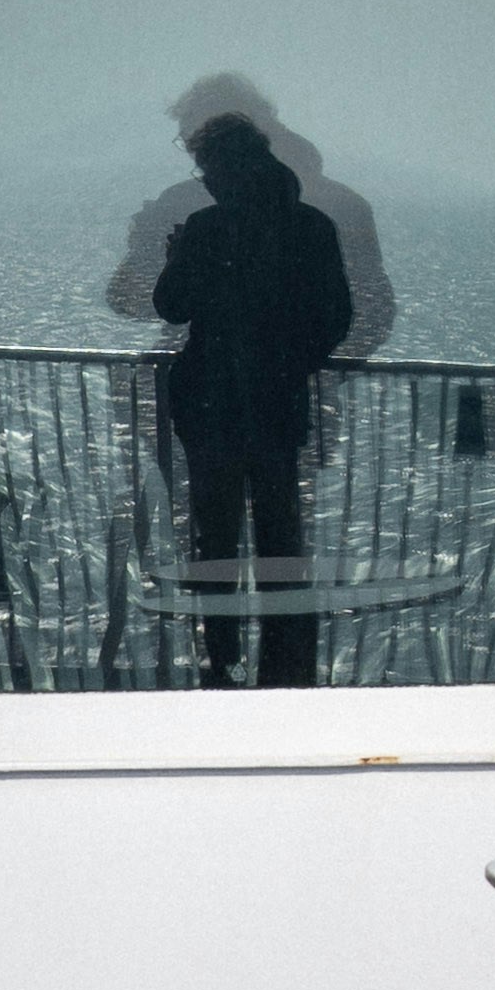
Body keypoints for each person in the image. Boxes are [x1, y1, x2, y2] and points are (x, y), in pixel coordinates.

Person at [140, 101, 357, 682]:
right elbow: (337, 315)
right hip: (277, 404)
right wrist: (291, 365)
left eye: (205, 168)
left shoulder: (209, 229)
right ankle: (286, 663)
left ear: (219, 169)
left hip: (208, 405)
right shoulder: (312, 226)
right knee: (281, 535)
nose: (204, 180)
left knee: (214, 536)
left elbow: (172, 306)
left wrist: (175, 256)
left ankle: (220, 657)